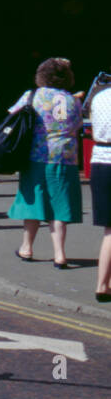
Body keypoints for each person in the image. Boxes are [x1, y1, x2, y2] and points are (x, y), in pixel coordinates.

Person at [9, 57, 83, 268]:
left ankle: (27, 248)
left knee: (34, 203)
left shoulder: (33, 96)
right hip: (65, 158)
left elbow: (13, 115)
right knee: (59, 207)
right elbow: (77, 126)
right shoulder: (72, 100)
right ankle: (60, 255)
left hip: (36, 157)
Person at [89, 79, 111, 303]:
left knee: (109, 230)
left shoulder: (99, 97)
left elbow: (95, 130)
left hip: (100, 161)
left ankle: (103, 284)